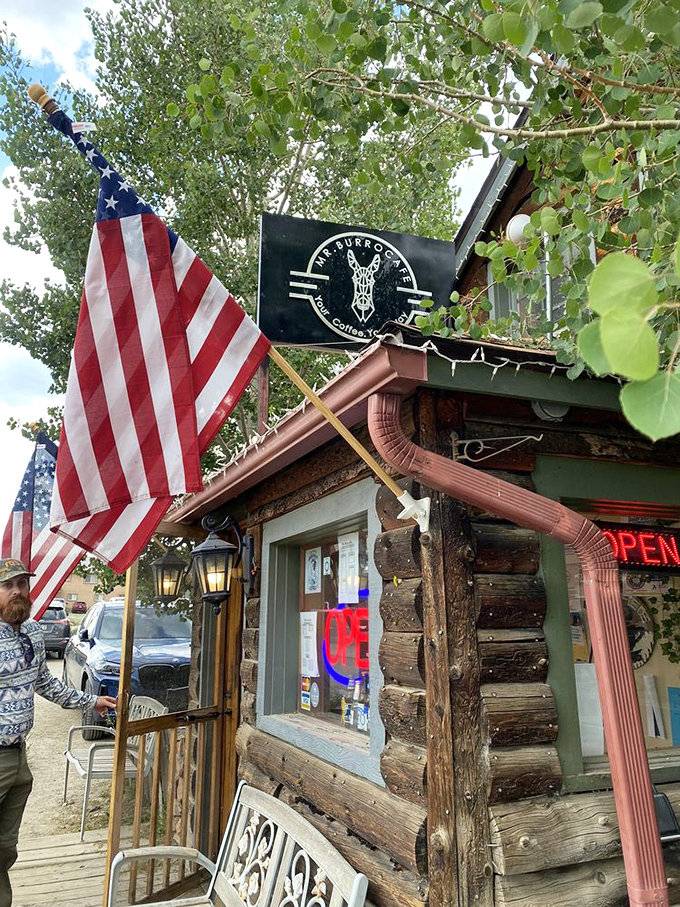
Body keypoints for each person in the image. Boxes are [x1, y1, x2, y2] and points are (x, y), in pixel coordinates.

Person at [0, 558, 117, 906]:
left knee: (5, 846)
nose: (18, 591)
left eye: (22, 583)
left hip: (19, 756)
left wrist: (90, 701)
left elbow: (44, 682)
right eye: (8, 585)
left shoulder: (33, 632)